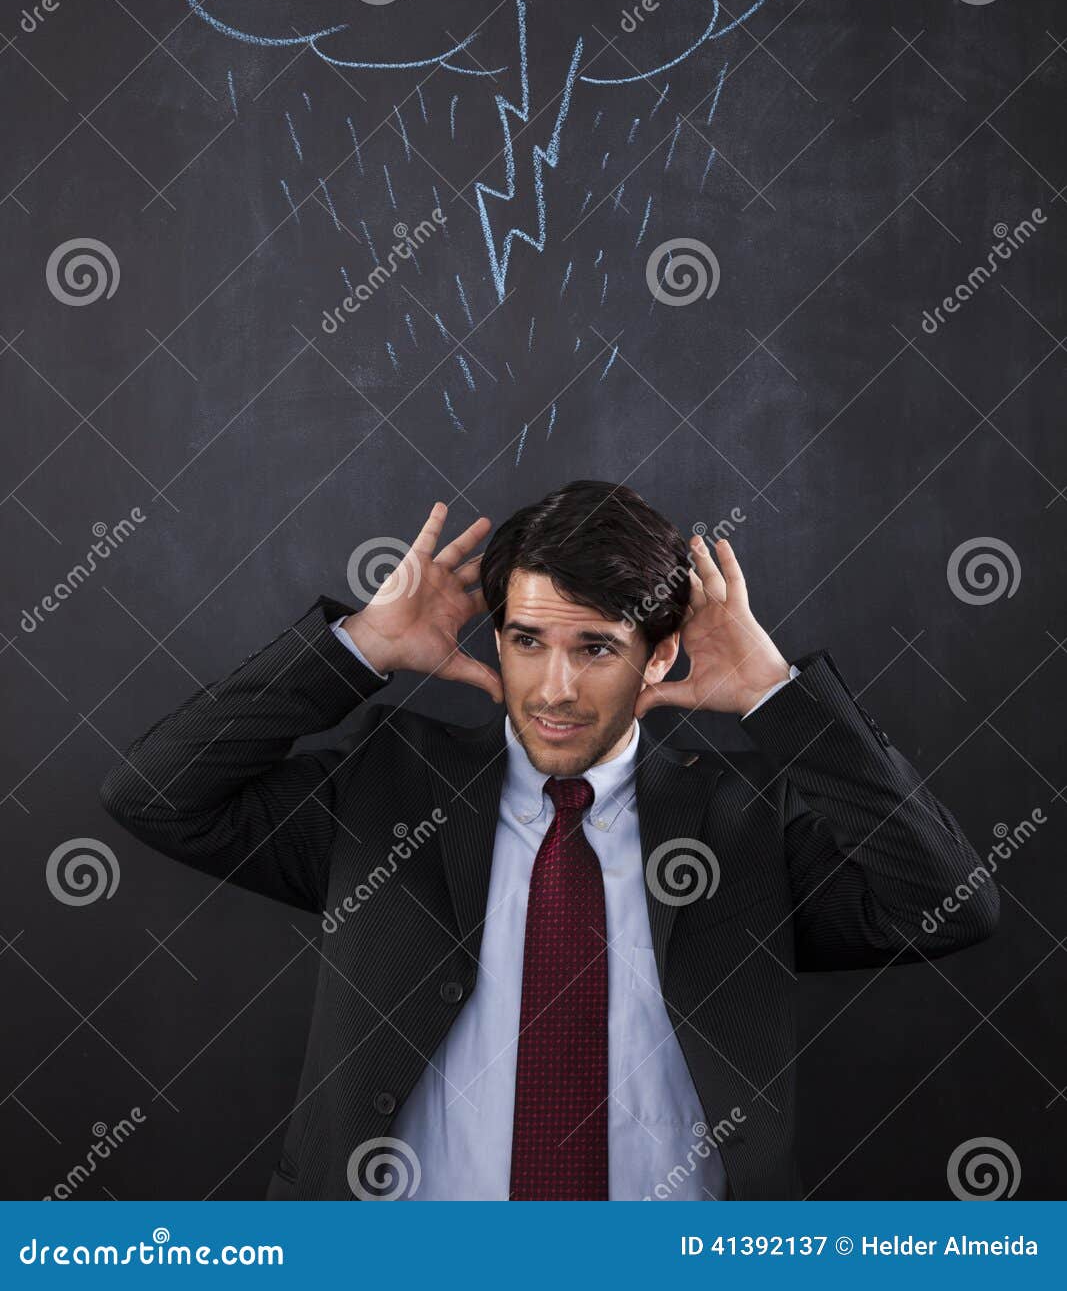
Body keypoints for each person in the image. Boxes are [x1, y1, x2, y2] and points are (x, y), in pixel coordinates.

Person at [98, 480, 998, 1200]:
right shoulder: (384, 789)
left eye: (596, 649)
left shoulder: (743, 823)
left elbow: (945, 904)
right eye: (526, 641)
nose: (554, 688)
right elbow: (159, 795)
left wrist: (774, 695)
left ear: (658, 657)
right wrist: (361, 647)